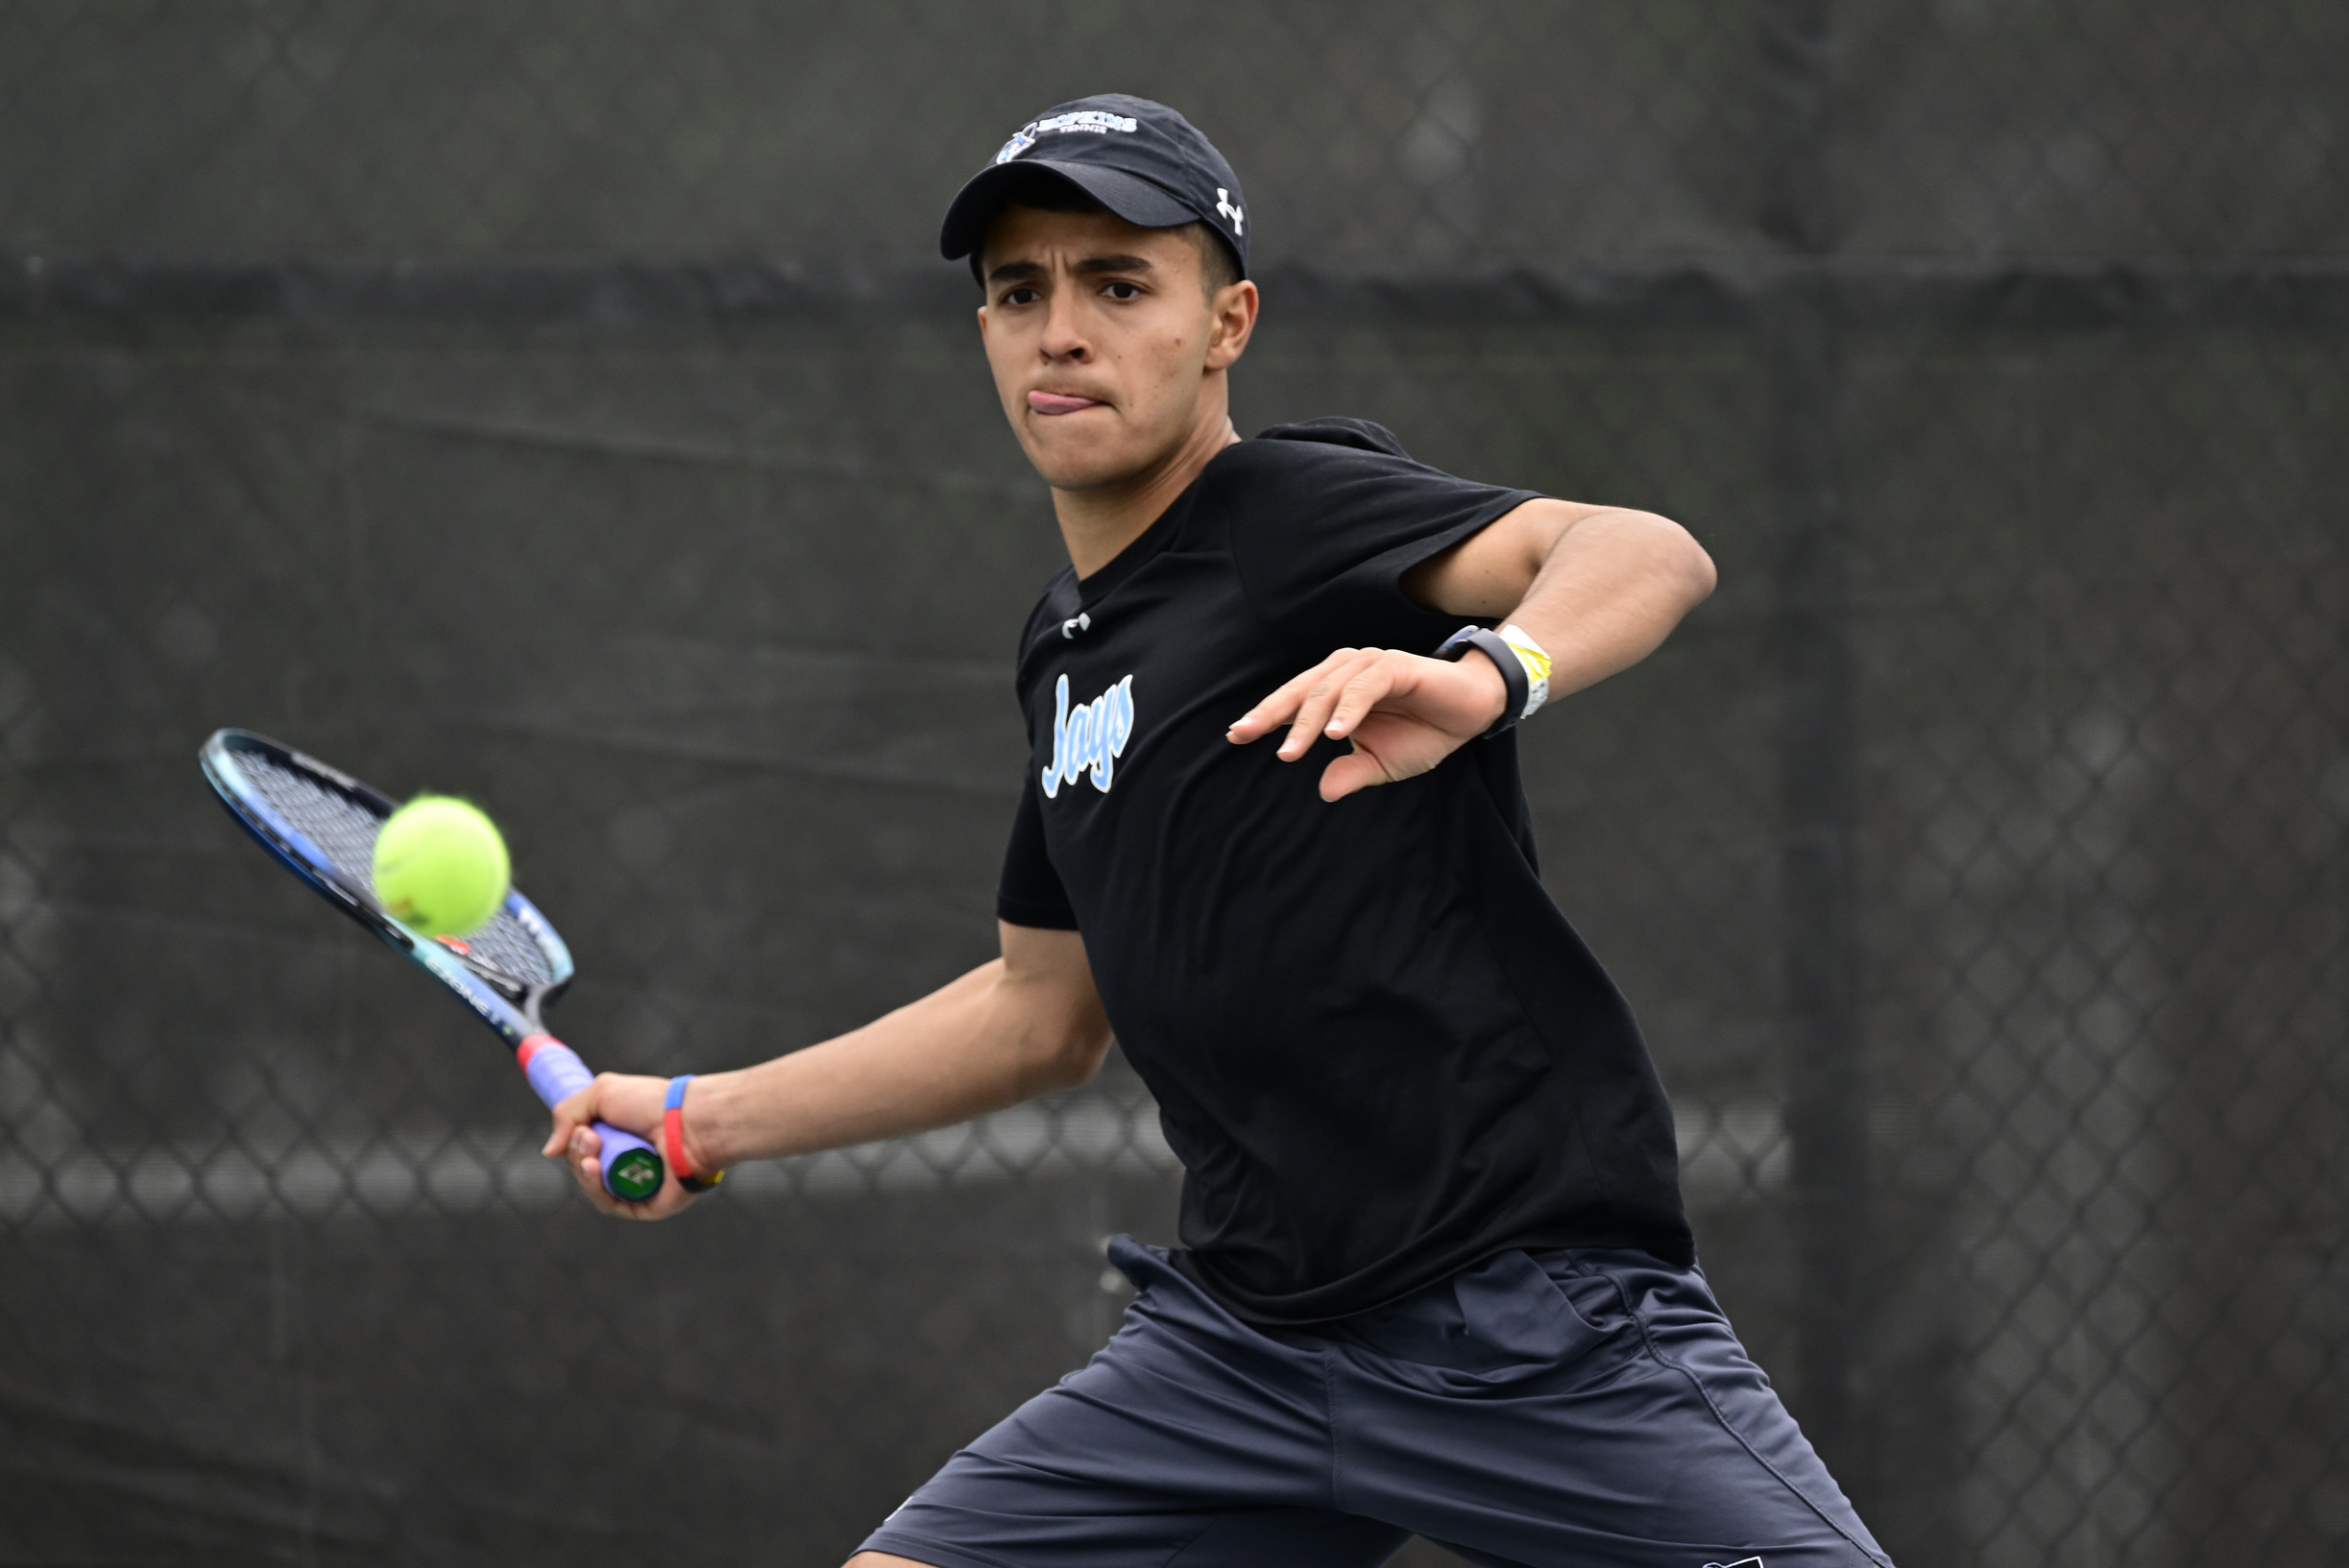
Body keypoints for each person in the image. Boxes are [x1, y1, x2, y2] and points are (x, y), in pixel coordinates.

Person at [545, 96, 1891, 1568]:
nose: (1061, 330)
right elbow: (1038, 1015)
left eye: (1119, 285)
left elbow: (1642, 548)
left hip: (1519, 1320)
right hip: (1243, 1352)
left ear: (1226, 321)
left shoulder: (1282, 512)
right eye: (1018, 291)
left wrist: (1489, 674)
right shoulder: (1065, 654)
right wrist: (698, 1116)